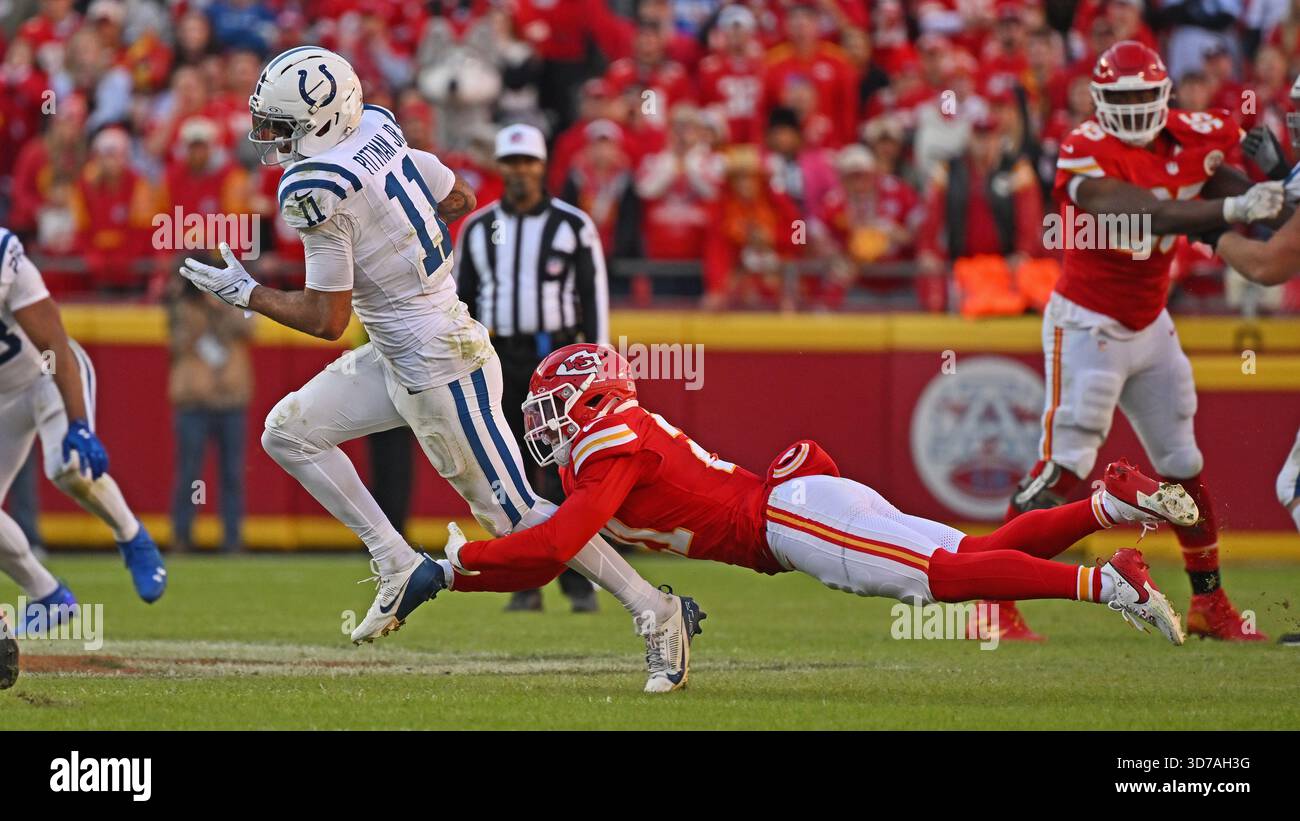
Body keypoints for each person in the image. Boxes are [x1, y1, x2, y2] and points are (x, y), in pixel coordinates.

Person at [178, 48, 700, 692]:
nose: (272, 139)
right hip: (405, 349)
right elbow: (458, 194)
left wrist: (246, 293)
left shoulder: (313, 187)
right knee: (287, 432)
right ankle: (396, 560)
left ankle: (657, 609)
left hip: (440, 358)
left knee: (516, 515)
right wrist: (391, 232)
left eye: (281, 124)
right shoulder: (375, 127)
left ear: (316, 121)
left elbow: (326, 319)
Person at [441, 344, 1200, 657]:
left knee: (942, 575)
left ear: (595, 400)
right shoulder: (606, 450)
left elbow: (551, 547)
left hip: (790, 520)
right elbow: (553, 545)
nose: (541, 419)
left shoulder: (615, 444)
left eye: (555, 403)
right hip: (799, 508)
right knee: (968, 555)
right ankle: (1110, 509)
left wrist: (452, 565)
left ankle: (1107, 581)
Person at [996, 41, 1287, 641]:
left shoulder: (1192, 136)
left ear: (1164, 97)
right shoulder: (1084, 148)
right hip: (1086, 323)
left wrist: (1279, 177)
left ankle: (1210, 602)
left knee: (1182, 462)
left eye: (1141, 97)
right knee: (1064, 467)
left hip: (1151, 322)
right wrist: (1232, 203)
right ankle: (992, 596)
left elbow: (1246, 197)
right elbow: (1140, 210)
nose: (1132, 110)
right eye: (1120, 99)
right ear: (1099, 102)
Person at [454, 123, 611, 613]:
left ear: (543, 166)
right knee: (512, 472)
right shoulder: (478, 228)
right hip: (500, 356)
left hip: (559, 360)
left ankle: (579, 582)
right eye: (511, 162)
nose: (519, 171)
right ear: (500, 166)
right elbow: (461, 301)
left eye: (528, 162)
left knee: (567, 471)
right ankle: (526, 582)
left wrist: (599, 362)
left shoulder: (571, 224)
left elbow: (594, 298)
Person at [0, 226, 167, 635]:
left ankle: (131, 535)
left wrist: (79, 423)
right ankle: (49, 596)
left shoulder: (4, 252)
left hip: (47, 375)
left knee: (69, 466)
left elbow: (54, 340)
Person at [166, 276, 254, 553]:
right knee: (190, 474)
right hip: (193, 400)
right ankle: (182, 537)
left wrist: (222, 306)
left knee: (232, 475)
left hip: (231, 399)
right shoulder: (181, 308)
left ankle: (232, 539)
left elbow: (250, 330)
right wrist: (192, 306)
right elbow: (179, 341)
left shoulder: (233, 302)